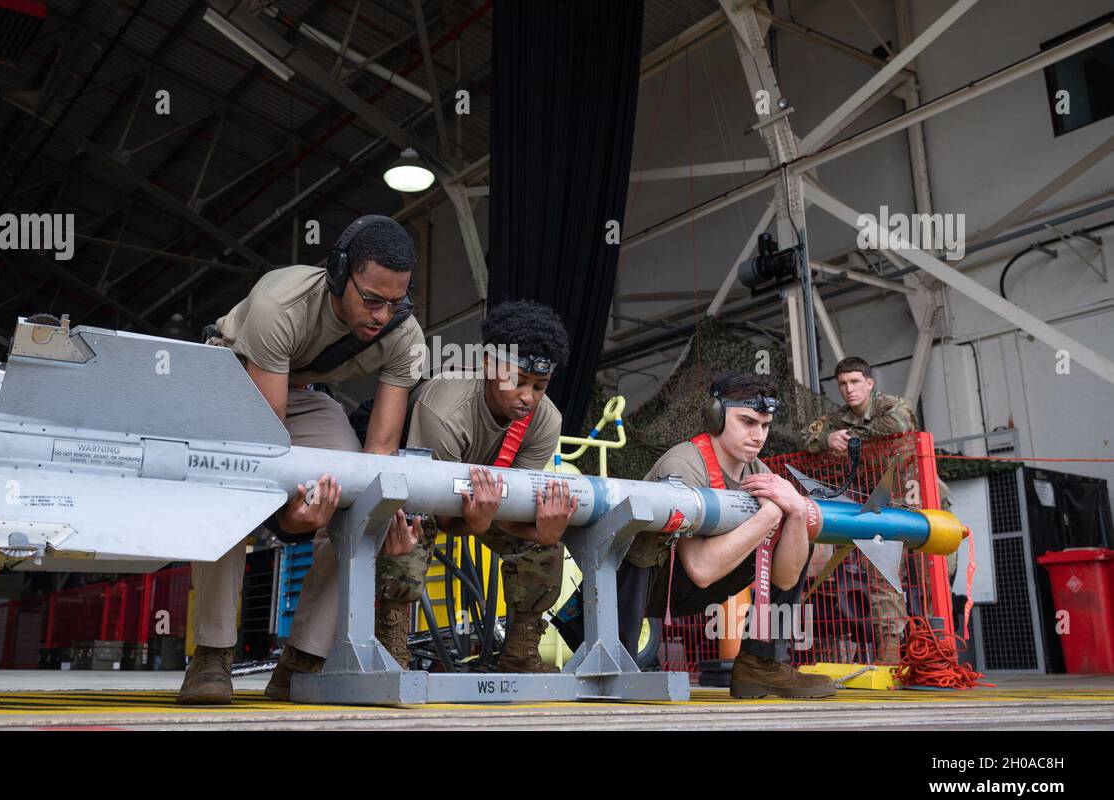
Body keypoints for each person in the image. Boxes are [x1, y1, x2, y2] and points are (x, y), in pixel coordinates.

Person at [177, 215, 425, 705]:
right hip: (230, 380)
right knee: (231, 488)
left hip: (297, 392)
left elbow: (378, 452)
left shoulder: (405, 336)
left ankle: (304, 658)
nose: (381, 315)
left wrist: (375, 508)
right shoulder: (280, 303)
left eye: (395, 302)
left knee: (364, 499)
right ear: (337, 273)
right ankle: (211, 654)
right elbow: (268, 448)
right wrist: (292, 519)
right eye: (371, 300)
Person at [376, 300, 578, 674]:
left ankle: (519, 653)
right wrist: (476, 524)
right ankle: (390, 652)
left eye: (540, 386)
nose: (528, 397)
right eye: (517, 381)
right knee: (408, 527)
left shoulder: (545, 419)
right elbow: (440, 514)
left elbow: (516, 506)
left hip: (479, 502)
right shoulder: (445, 410)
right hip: (414, 490)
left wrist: (543, 533)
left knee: (542, 545)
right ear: (488, 364)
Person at [619, 373, 835, 699]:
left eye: (764, 425)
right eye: (747, 422)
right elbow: (701, 570)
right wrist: (769, 515)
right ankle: (619, 660)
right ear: (716, 417)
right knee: (773, 519)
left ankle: (761, 664)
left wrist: (798, 512)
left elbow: (786, 578)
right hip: (627, 592)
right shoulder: (684, 464)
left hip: (683, 591)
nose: (758, 436)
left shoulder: (758, 472)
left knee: (797, 531)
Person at [800, 356, 955, 664]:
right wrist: (827, 437)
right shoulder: (837, 418)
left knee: (931, 579)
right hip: (880, 505)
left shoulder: (890, 405)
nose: (849, 389)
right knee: (882, 578)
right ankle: (890, 654)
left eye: (855, 382)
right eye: (843, 384)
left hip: (920, 501)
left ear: (869, 383)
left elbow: (897, 424)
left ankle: (935, 652)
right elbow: (806, 438)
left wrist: (850, 439)